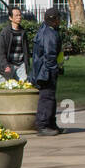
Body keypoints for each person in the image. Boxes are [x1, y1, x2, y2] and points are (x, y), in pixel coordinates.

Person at [0, 7, 30, 118]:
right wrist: (5, 66)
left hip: (20, 64)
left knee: (24, 86)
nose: (19, 17)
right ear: (10, 18)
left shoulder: (23, 32)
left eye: (20, 15)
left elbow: (26, 50)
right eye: (16, 15)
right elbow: (2, 52)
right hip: (8, 64)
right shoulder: (5, 33)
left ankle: (20, 110)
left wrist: (27, 64)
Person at [31, 7, 64, 135]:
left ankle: (50, 123)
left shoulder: (46, 30)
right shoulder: (49, 34)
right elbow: (50, 54)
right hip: (46, 72)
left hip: (44, 70)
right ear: (54, 20)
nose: (60, 21)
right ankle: (43, 125)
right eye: (59, 18)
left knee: (50, 98)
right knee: (46, 98)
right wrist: (54, 69)